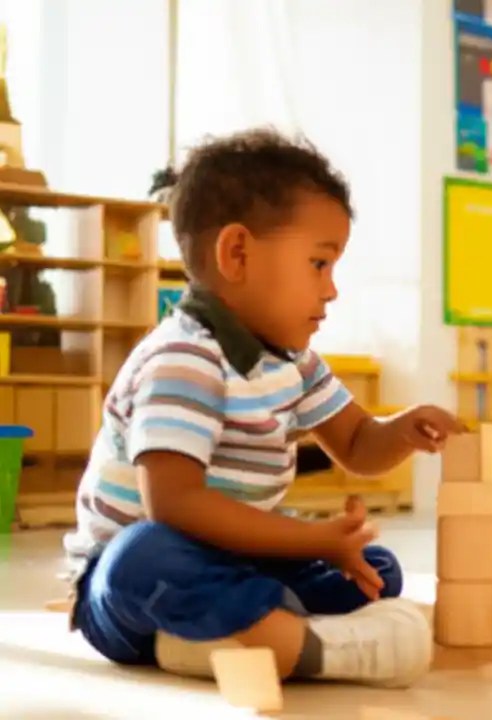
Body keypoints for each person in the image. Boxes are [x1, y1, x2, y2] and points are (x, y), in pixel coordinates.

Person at [64, 129, 463, 688]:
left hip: (233, 559)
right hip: (132, 590)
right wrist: (314, 539)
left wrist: (401, 431)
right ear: (237, 254)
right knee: (143, 558)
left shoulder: (293, 362)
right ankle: (311, 650)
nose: (332, 291)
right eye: (319, 265)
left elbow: (356, 445)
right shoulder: (184, 360)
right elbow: (174, 505)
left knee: (376, 570)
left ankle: (223, 637)